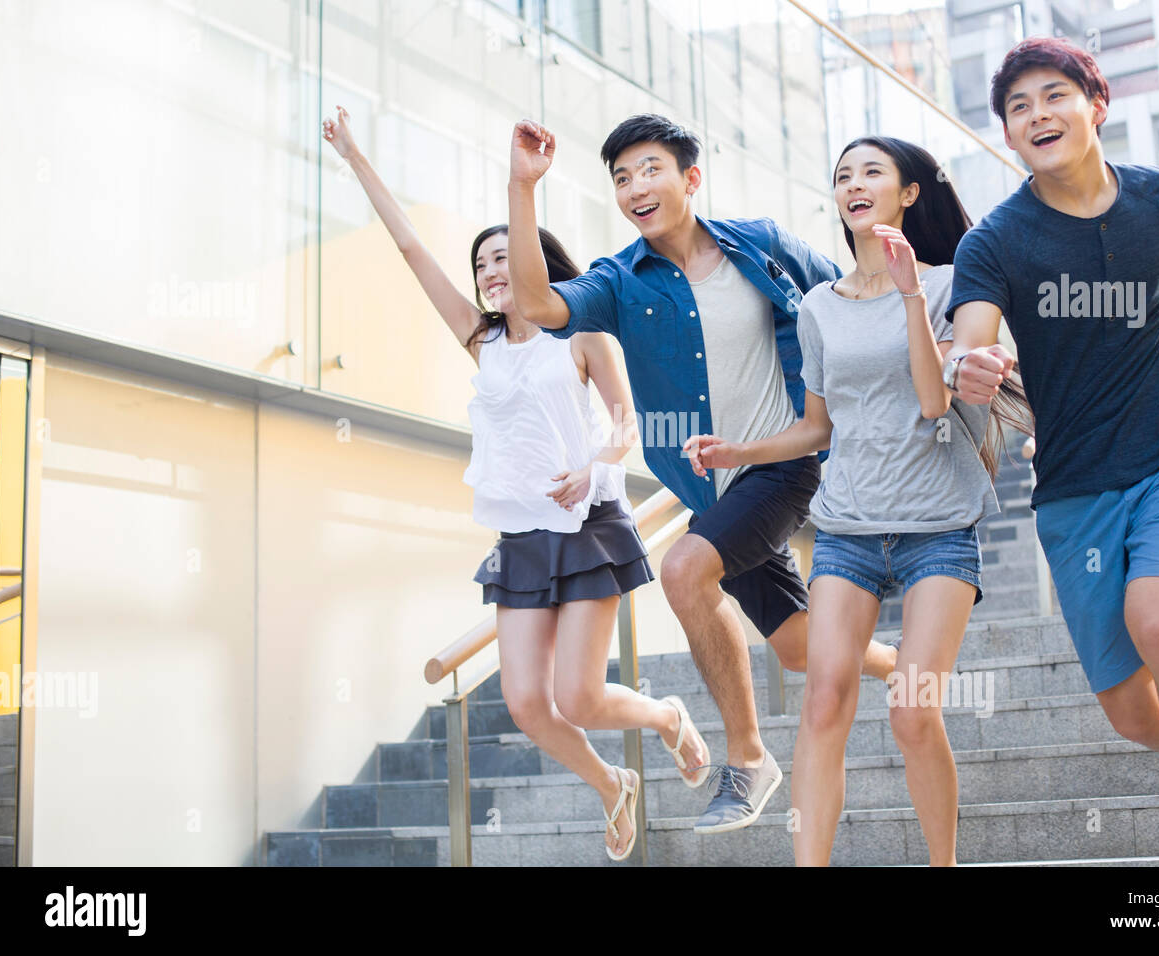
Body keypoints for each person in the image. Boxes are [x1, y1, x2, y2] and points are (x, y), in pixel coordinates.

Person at [322, 105, 709, 862]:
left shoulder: (583, 329)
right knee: (529, 705)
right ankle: (611, 786)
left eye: (505, 259)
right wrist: (357, 156)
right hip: (524, 537)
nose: (493, 274)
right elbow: (408, 249)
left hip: (590, 526)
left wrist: (594, 466)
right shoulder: (482, 341)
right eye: (483, 266)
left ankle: (666, 717)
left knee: (581, 698)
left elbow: (627, 425)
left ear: (537, 262)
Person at [505, 114, 900, 834]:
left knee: (685, 569)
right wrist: (524, 186)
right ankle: (907, 669)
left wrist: (929, 337)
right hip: (710, 487)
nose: (635, 188)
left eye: (650, 169)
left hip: (783, 464)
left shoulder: (763, 244)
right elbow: (536, 304)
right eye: (621, 178)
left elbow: (848, 297)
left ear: (689, 178)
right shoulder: (620, 281)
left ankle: (748, 760)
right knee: (794, 644)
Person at [944, 37, 1159, 867]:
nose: (1036, 115)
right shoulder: (996, 240)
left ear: (1095, 105)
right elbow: (972, 334)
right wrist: (972, 364)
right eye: (1018, 108)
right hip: (1073, 489)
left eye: (1053, 95)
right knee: (1134, 717)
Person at [683, 136, 1032, 865]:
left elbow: (937, 400)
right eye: (842, 175)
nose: (853, 184)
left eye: (872, 171)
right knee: (823, 701)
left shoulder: (950, 284)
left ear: (909, 193)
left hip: (938, 526)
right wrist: (738, 451)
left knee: (912, 713)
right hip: (846, 529)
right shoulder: (818, 306)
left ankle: (944, 862)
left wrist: (908, 292)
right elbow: (818, 425)